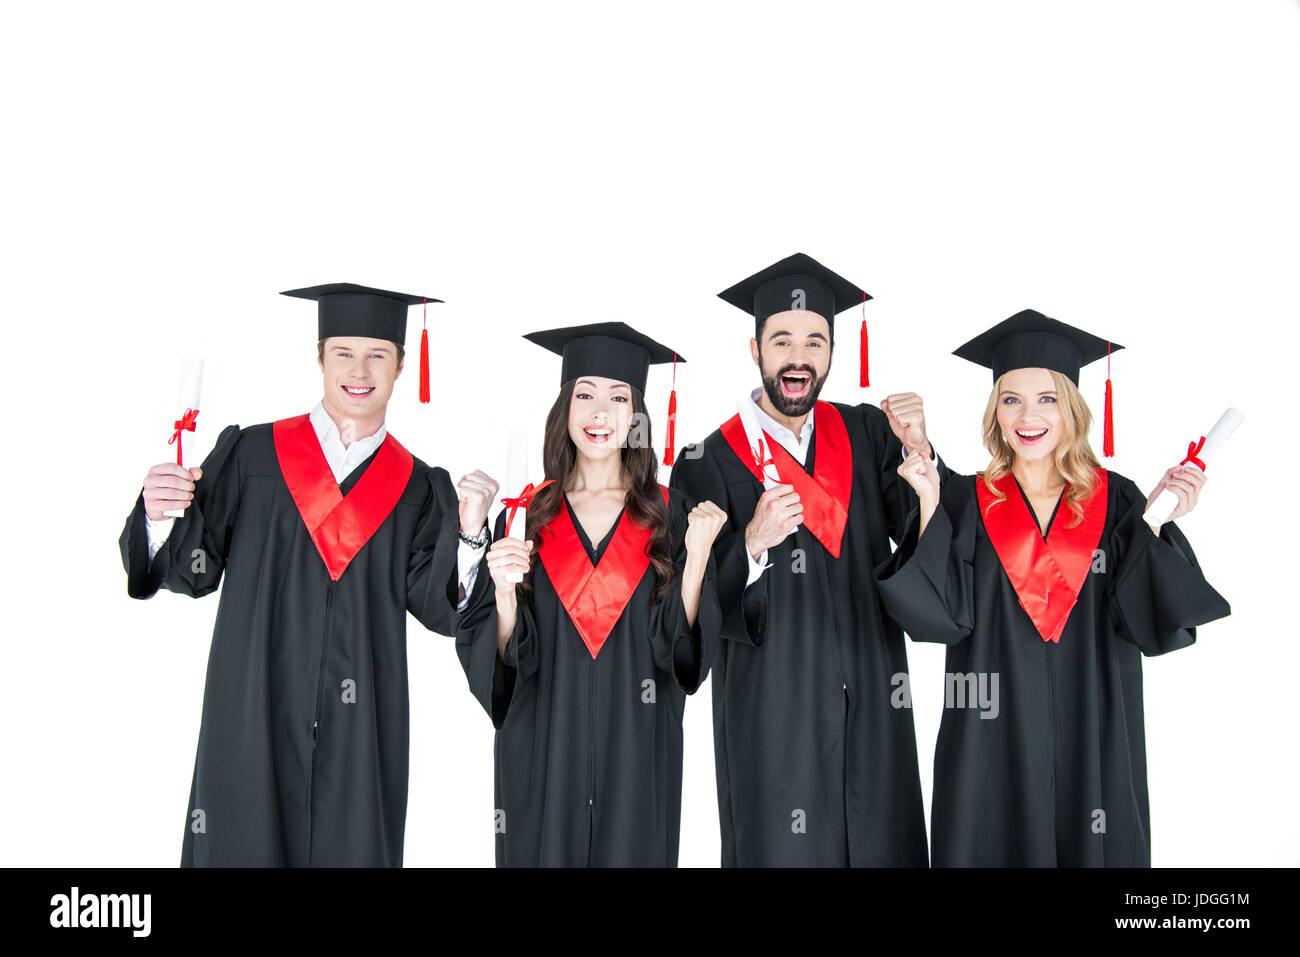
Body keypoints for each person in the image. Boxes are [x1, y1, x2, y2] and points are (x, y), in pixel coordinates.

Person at [119, 282, 499, 866]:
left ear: (402, 365)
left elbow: (442, 607)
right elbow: (191, 572)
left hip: (361, 732)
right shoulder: (252, 456)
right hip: (252, 712)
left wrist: (472, 533)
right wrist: (155, 512)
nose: (360, 370)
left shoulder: (418, 487)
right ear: (319, 358)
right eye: (344, 353)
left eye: (378, 354)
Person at [875, 308, 1231, 866]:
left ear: (1072, 408)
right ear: (995, 410)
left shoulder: (1118, 500)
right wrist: (926, 497)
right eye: (1012, 398)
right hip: (988, 734)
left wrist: (1156, 523)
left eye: (1047, 398)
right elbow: (936, 616)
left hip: (1093, 722)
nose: (1029, 415)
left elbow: (1146, 621)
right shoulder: (966, 500)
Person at [669, 253, 950, 866]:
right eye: (782, 340)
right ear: (755, 350)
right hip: (771, 716)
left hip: (876, 700)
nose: (799, 357)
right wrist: (749, 544)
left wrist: (923, 451)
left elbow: (932, 535)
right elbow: (687, 614)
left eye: (815, 341)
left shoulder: (871, 435)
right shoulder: (704, 461)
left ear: (832, 350)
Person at [456, 322, 725, 866]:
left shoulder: (670, 514)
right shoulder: (525, 514)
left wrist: (696, 560)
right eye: (585, 395)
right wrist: (505, 599)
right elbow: (500, 666)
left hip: (638, 748)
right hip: (542, 752)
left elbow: (682, 660)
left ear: (638, 415)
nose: (601, 413)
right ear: (565, 408)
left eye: (619, 397)